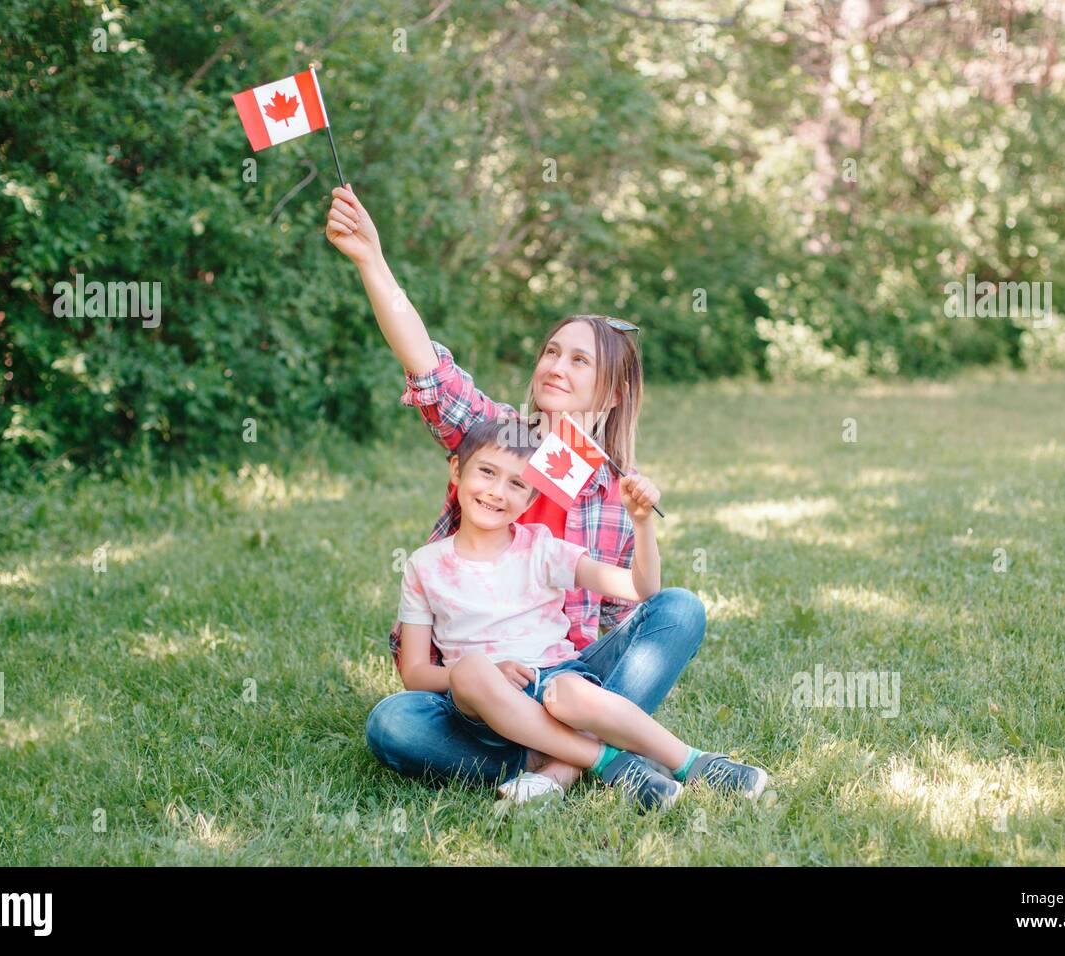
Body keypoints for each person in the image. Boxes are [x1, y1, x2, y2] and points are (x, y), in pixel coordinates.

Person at [325, 184, 710, 803]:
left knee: (679, 609)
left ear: (609, 394)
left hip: (566, 680)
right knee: (394, 723)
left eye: (580, 361)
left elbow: (622, 616)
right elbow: (426, 366)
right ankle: (586, 760)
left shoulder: (613, 492)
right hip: (482, 689)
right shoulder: (500, 438)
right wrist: (372, 259)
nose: (556, 365)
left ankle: (552, 767)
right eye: (552, 351)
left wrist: (641, 532)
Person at [396, 417, 770, 811]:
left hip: (557, 684)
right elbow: (415, 673)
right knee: (398, 717)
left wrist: (642, 523)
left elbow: (642, 589)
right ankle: (606, 758)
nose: (496, 492)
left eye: (517, 484)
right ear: (457, 470)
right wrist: (487, 672)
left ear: (530, 498)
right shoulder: (424, 566)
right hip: (482, 709)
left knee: (668, 616)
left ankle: (693, 763)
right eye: (486, 472)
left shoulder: (541, 548)